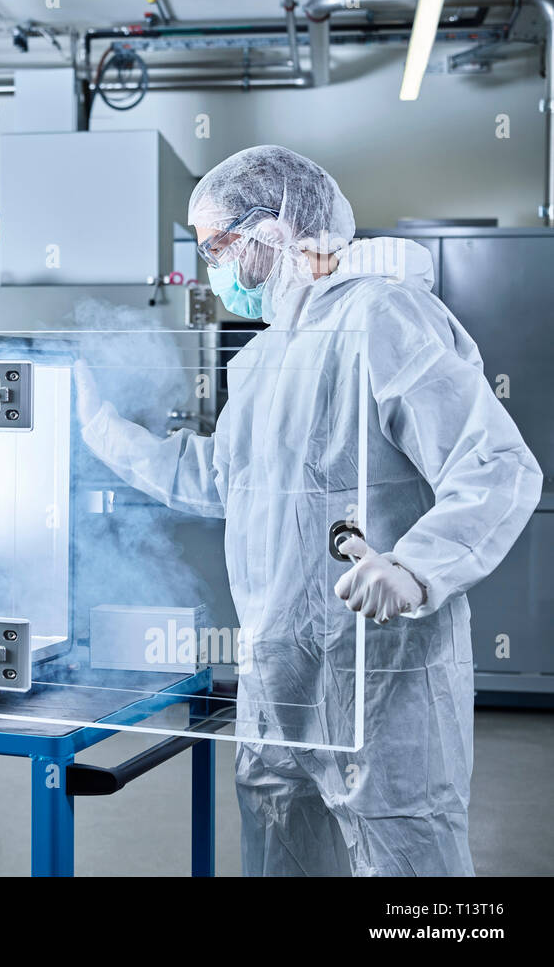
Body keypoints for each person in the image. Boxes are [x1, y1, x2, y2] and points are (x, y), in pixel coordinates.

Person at [74, 145, 542, 876]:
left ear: (275, 230)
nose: (214, 271)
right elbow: (217, 478)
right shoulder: (260, 360)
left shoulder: (384, 316)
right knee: (282, 857)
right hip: (277, 681)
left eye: (217, 248)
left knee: (408, 869)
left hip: (383, 675)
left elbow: (495, 465)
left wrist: (416, 568)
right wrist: (105, 431)